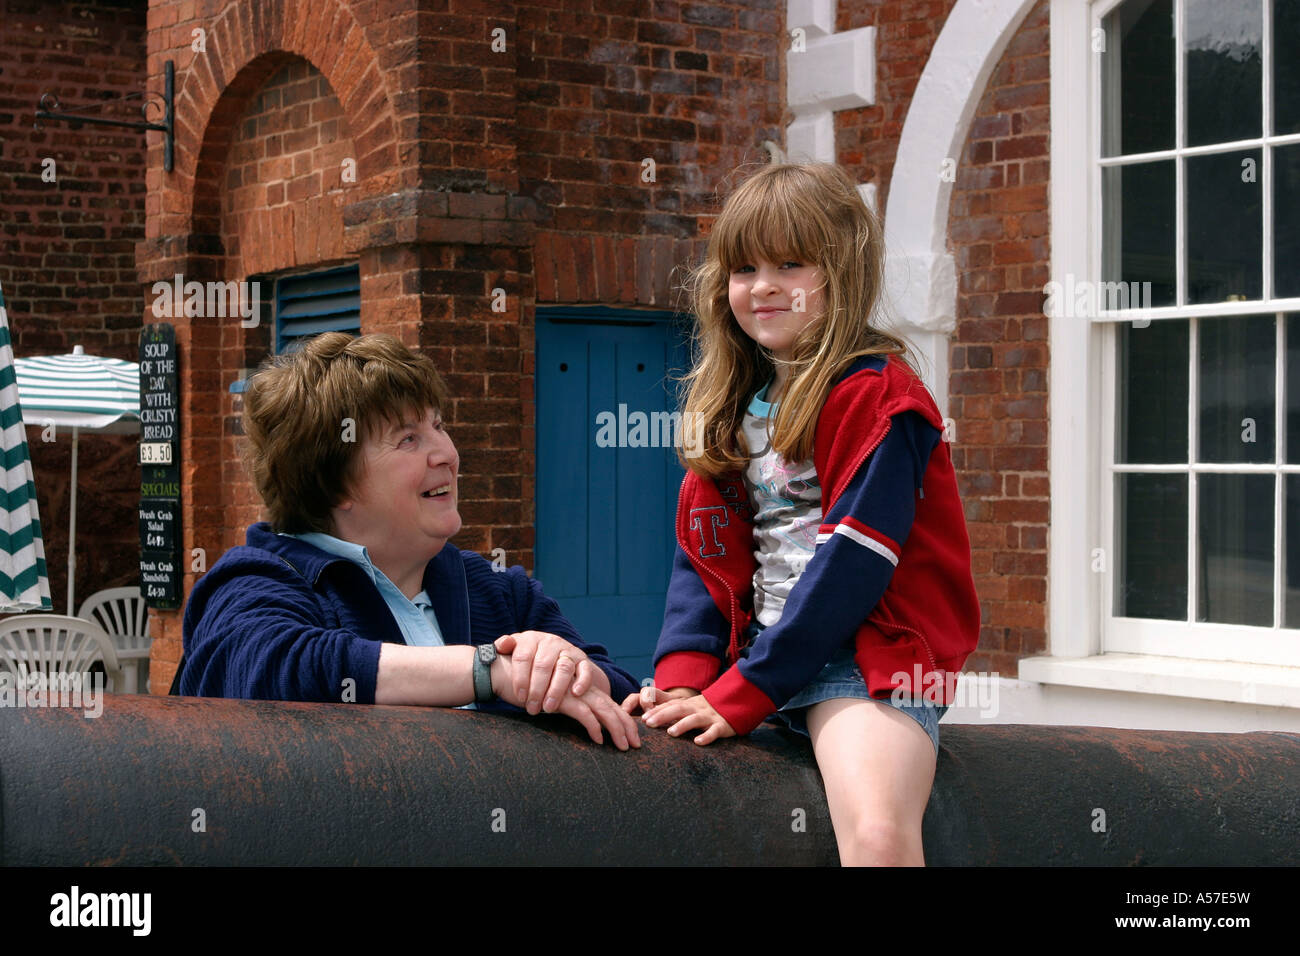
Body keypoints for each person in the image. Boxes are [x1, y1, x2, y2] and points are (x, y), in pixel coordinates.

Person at [623, 163, 980, 862]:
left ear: (841, 272)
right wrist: (683, 681)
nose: (763, 286)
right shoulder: (732, 406)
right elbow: (701, 564)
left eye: (792, 263)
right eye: (744, 266)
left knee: (877, 835)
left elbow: (853, 563)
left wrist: (748, 692)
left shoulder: (881, 397)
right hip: (755, 657)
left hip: (863, 661)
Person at [176, 332, 640, 751]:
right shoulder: (256, 582)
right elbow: (264, 666)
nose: (447, 454)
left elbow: (621, 691)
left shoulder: (497, 590)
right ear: (333, 483)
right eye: (408, 439)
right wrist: (487, 671)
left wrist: (566, 670)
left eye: (439, 426)